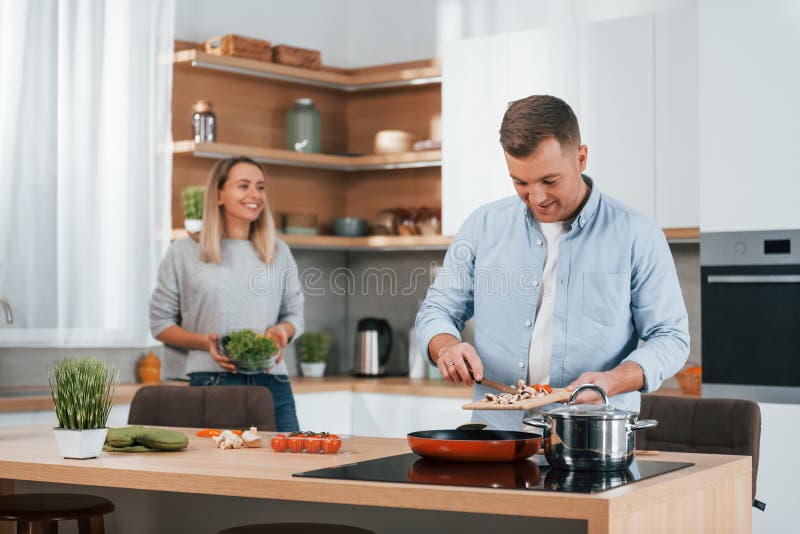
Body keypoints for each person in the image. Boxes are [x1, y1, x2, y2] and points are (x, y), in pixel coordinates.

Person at [415, 95, 689, 430]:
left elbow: (671, 338)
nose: (537, 198)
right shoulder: (482, 226)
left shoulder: (637, 233)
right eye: (520, 183)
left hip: (592, 440)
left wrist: (613, 381)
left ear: (581, 158)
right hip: (496, 440)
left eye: (549, 180)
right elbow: (436, 310)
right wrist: (447, 346)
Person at [150, 156, 304, 432]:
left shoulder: (278, 252)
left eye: (260, 187)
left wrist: (282, 330)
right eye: (243, 186)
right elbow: (160, 324)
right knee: (218, 470)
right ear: (219, 194)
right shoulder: (184, 252)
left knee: (286, 467)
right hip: (211, 382)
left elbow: (295, 313)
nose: (254, 195)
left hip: (273, 382)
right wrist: (204, 343)